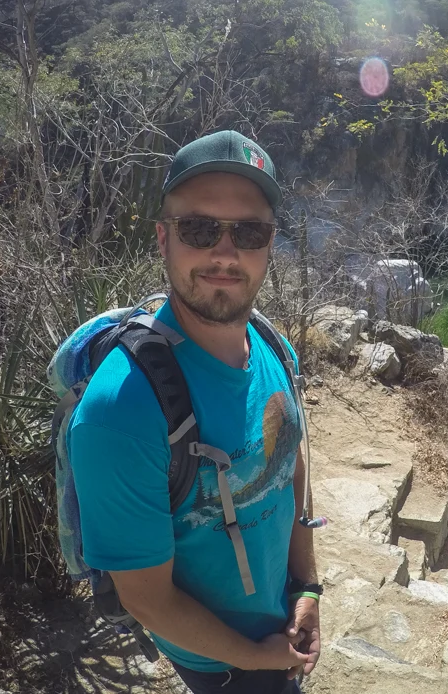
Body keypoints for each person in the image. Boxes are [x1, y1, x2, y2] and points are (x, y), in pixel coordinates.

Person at [68, 130, 320, 694]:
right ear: (163, 238)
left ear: (270, 244)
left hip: (280, 622)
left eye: (248, 231)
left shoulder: (273, 348)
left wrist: (307, 588)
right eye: (199, 229)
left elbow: (288, 467)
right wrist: (257, 660)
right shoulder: (120, 414)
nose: (225, 253)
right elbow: (147, 598)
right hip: (221, 662)